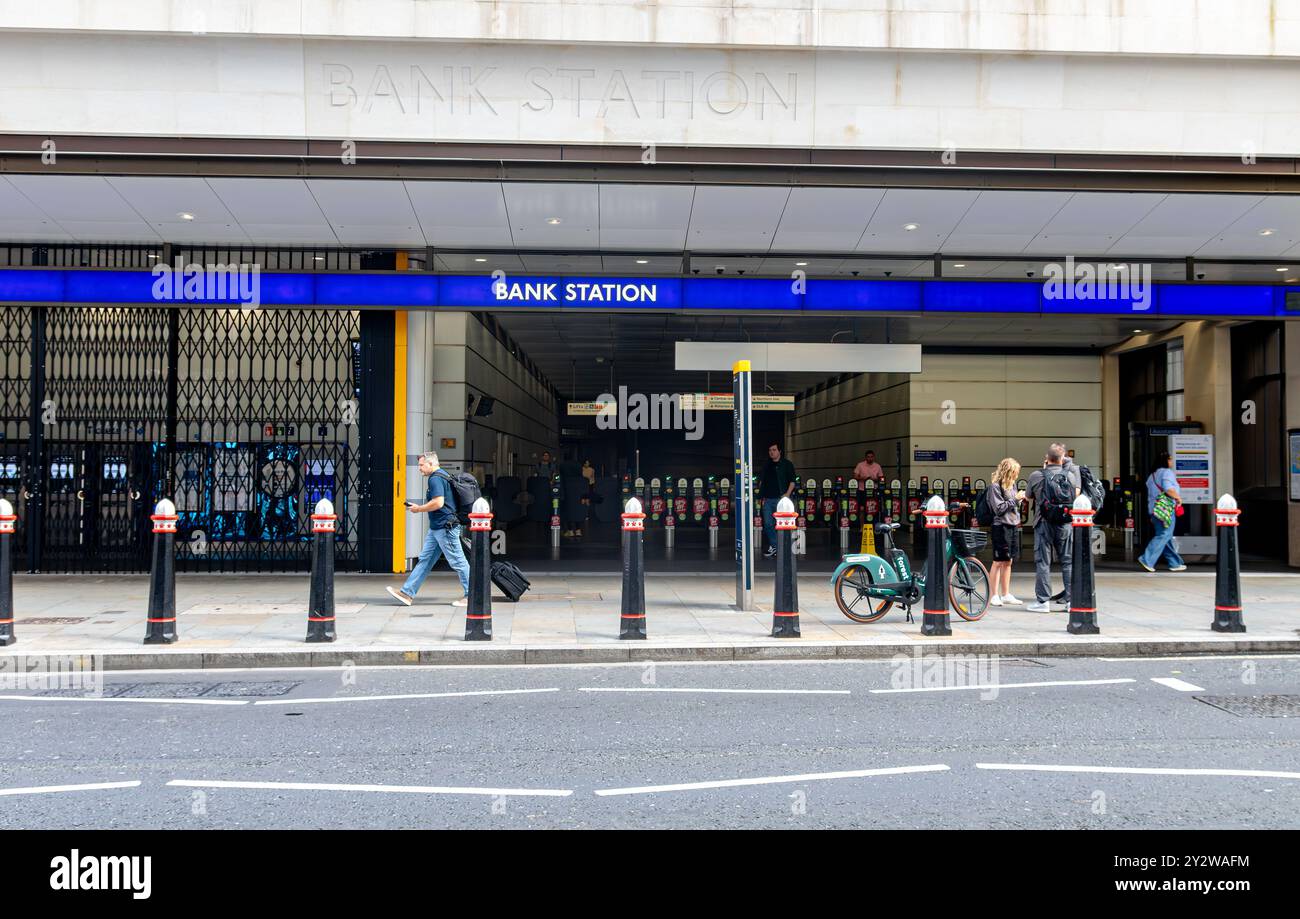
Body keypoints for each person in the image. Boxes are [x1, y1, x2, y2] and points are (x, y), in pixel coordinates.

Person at [386, 452, 470, 607]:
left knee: (458, 561)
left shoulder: (435, 478)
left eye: (421, 465)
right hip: (437, 527)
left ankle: (472, 595)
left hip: (445, 527)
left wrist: (418, 509)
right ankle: (407, 593)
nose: (419, 468)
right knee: (425, 560)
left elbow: (438, 503)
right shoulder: (442, 475)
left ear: (431, 464)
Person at [1025, 443, 1081, 612]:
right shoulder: (1070, 476)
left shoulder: (1036, 475)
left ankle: (1042, 602)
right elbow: (1076, 494)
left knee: (1043, 562)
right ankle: (1071, 602)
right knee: (1067, 562)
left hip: (1043, 523)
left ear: (1046, 458)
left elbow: (1028, 497)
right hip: (1065, 523)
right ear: (1062, 459)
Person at [985, 458, 1025, 607]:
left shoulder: (1012, 485)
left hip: (1013, 524)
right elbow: (999, 509)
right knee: (998, 561)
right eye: (1015, 472)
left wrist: (1018, 500)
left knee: (1009, 561)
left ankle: (1006, 594)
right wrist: (1015, 499)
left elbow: (1011, 505)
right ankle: (994, 594)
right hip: (1000, 526)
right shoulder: (995, 487)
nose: (1017, 475)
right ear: (1008, 472)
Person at [1139, 452, 1187, 573]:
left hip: (1154, 510)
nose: (1172, 461)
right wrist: (1178, 498)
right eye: (1170, 459)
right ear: (1164, 460)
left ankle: (1174, 563)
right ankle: (1147, 559)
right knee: (1164, 534)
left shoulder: (1152, 476)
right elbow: (1168, 488)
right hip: (1165, 509)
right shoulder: (1167, 472)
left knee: (1165, 536)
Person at [758, 442, 796, 558]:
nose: (772, 452)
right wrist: (761, 497)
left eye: (774, 450)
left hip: (781, 499)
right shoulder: (766, 465)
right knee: (768, 524)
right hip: (768, 499)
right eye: (770, 450)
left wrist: (787, 495)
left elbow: (792, 481)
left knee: (782, 525)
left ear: (780, 451)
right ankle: (777, 546)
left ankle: (778, 547)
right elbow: (761, 482)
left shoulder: (787, 464)